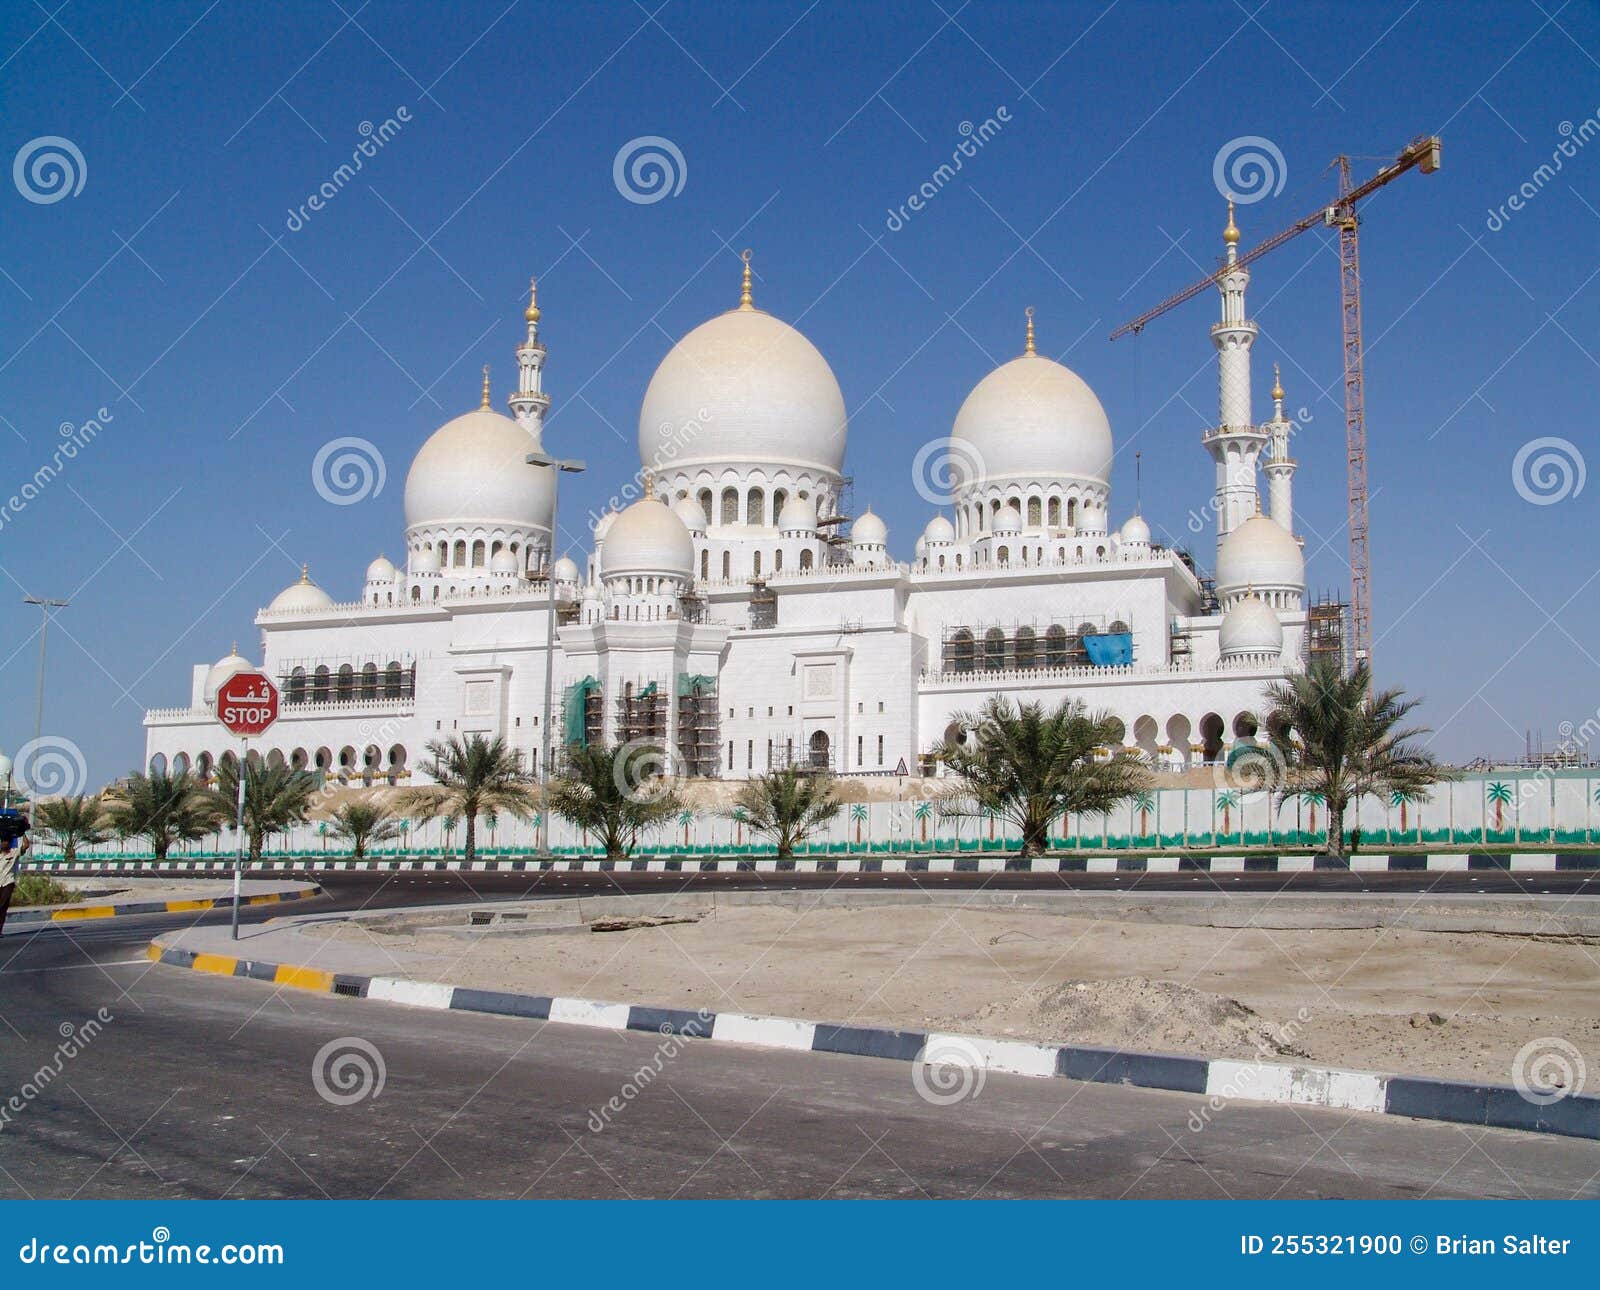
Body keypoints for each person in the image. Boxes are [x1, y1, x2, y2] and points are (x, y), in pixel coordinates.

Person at [0, 808, 27, 934]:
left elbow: (26, 846)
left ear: (9, 843)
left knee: (2, 905)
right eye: (2, 842)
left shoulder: (14, 852)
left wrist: (23, 832)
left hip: (8, 882)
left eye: (5, 842)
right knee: (2, 908)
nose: (3, 844)